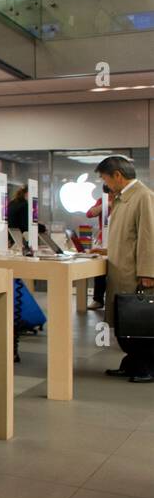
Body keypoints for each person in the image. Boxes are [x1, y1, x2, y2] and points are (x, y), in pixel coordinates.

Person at [93, 156, 154, 382]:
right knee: (124, 322)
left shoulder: (143, 197)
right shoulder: (122, 199)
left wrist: (148, 272)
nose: (105, 184)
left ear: (117, 175)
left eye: (105, 178)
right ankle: (132, 363)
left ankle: (146, 366)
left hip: (135, 274)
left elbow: (149, 237)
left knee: (139, 323)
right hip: (121, 271)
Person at [86, 187, 111, 310]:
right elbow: (90, 213)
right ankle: (98, 299)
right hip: (103, 240)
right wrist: (105, 205)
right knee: (100, 269)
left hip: (120, 239)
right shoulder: (102, 200)